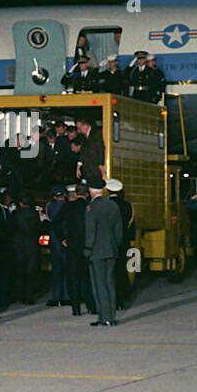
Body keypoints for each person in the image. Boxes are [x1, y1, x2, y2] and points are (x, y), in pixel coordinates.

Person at [84, 178, 124, 326]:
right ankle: (111, 317)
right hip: (111, 249)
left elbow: (91, 231)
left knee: (99, 284)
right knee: (110, 283)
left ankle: (104, 317)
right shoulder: (113, 205)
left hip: (96, 251)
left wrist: (88, 249)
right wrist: (116, 245)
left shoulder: (92, 207)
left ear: (91, 191)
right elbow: (118, 229)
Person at [55, 184, 97, 316]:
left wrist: (62, 238)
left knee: (73, 276)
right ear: (87, 194)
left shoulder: (68, 207)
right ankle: (91, 306)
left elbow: (56, 222)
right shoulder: (91, 207)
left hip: (72, 245)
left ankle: (76, 307)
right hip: (89, 245)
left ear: (75, 193)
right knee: (88, 276)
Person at [7, 194, 42, 304]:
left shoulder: (15, 214)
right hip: (32, 244)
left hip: (18, 245)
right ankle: (29, 296)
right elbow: (38, 228)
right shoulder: (35, 214)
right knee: (31, 271)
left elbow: (10, 228)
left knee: (19, 270)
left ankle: (20, 294)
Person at [106, 178, 136, 309]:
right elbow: (131, 225)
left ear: (107, 191)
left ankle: (111, 299)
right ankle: (122, 299)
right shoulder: (127, 206)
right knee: (122, 270)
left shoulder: (105, 205)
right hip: (123, 241)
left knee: (109, 271)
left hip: (108, 241)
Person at [45, 186, 70, 306]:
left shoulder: (50, 206)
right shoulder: (68, 206)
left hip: (54, 240)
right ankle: (67, 296)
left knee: (56, 269)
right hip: (67, 238)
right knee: (67, 268)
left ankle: (56, 296)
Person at [75, 117, 106, 185]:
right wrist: (78, 167)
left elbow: (100, 148)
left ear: (86, 125)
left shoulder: (96, 133)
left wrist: (101, 165)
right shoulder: (83, 137)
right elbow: (82, 152)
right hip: (87, 169)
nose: (79, 131)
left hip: (95, 168)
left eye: (80, 128)